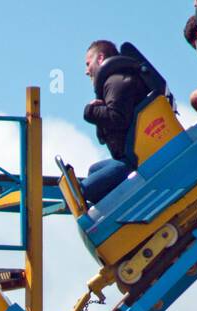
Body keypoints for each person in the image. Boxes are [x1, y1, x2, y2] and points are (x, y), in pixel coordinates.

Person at [80, 40, 149, 205]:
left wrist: (90, 111)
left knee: (83, 191)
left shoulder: (117, 81)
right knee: (93, 170)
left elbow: (118, 118)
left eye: (88, 64)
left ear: (100, 58)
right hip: (129, 155)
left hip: (135, 159)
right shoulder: (116, 81)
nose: (86, 71)